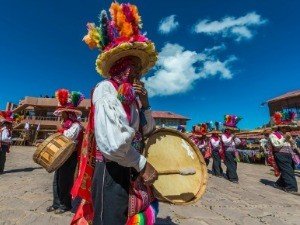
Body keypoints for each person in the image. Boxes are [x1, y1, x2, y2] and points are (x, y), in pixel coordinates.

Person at [71, 3, 159, 225]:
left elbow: (147, 131)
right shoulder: (106, 89)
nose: (137, 73)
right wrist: (142, 163)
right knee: (110, 219)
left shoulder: (136, 98)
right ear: (120, 67)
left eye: (138, 69)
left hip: (132, 167)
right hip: (112, 170)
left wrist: (146, 104)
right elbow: (113, 143)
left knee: (134, 216)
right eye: (133, 67)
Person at [46, 89, 84, 214]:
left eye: (63, 113)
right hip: (61, 155)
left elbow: (68, 137)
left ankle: (65, 204)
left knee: (65, 180)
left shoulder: (76, 126)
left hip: (70, 155)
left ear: (68, 113)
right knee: (57, 179)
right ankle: (56, 203)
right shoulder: (65, 125)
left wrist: (60, 131)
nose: (61, 115)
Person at [268, 111, 298, 194]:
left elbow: (293, 146)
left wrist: (292, 141)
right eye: (285, 128)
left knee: (289, 170)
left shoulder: (288, 136)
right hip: (280, 154)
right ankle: (291, 188)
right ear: (280, 127)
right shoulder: (273, 135)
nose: (287, 129)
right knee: (287, 170)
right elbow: (277, 145)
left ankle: (278, 184)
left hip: (289, 155)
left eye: (288, 128)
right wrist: (284, 138)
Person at [221, 115, 242, 183]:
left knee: (234, 164)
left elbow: (238, 142)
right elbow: (226, 142)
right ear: (227, 130)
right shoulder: (223, 135)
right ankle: (233, 178)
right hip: (227, 151)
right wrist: (231, 137)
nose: (231, 131)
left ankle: (228, 174)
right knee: (231, 164)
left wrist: (235, 137)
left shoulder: (232, 135)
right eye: (230, 130)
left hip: (234, 151)